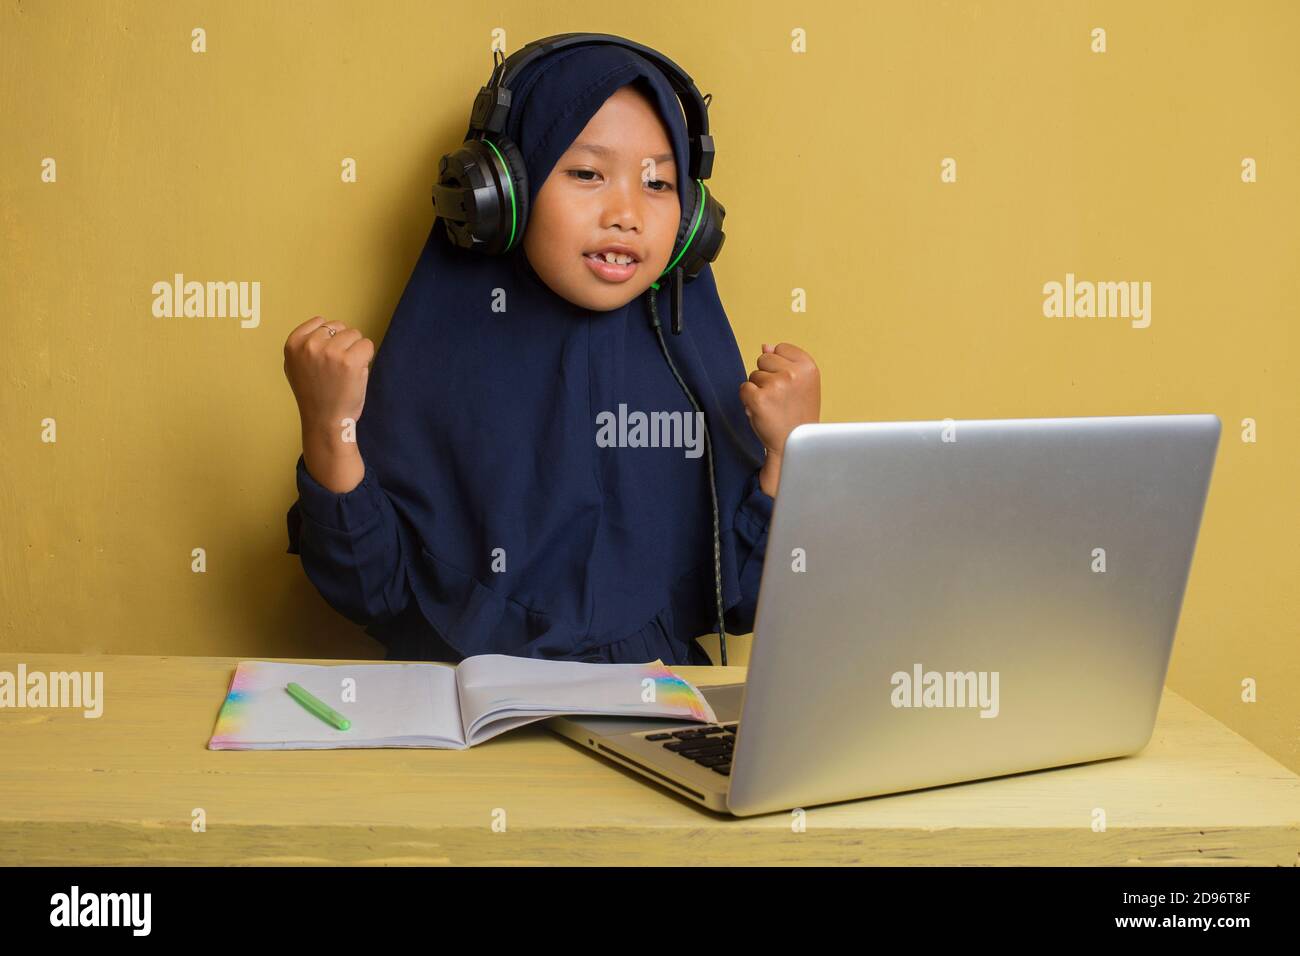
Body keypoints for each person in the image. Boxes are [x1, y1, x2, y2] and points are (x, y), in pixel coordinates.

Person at [281, 41, 820, 665]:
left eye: (659, 182)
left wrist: (792, 452)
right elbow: (369, 590)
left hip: (658, 717)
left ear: (693, 218)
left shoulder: (690, 373)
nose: (625, 214)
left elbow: (746, 602)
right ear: (500, 193)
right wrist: (330, 425)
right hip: (468, 730)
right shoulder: (444, 363)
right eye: (588, 173)